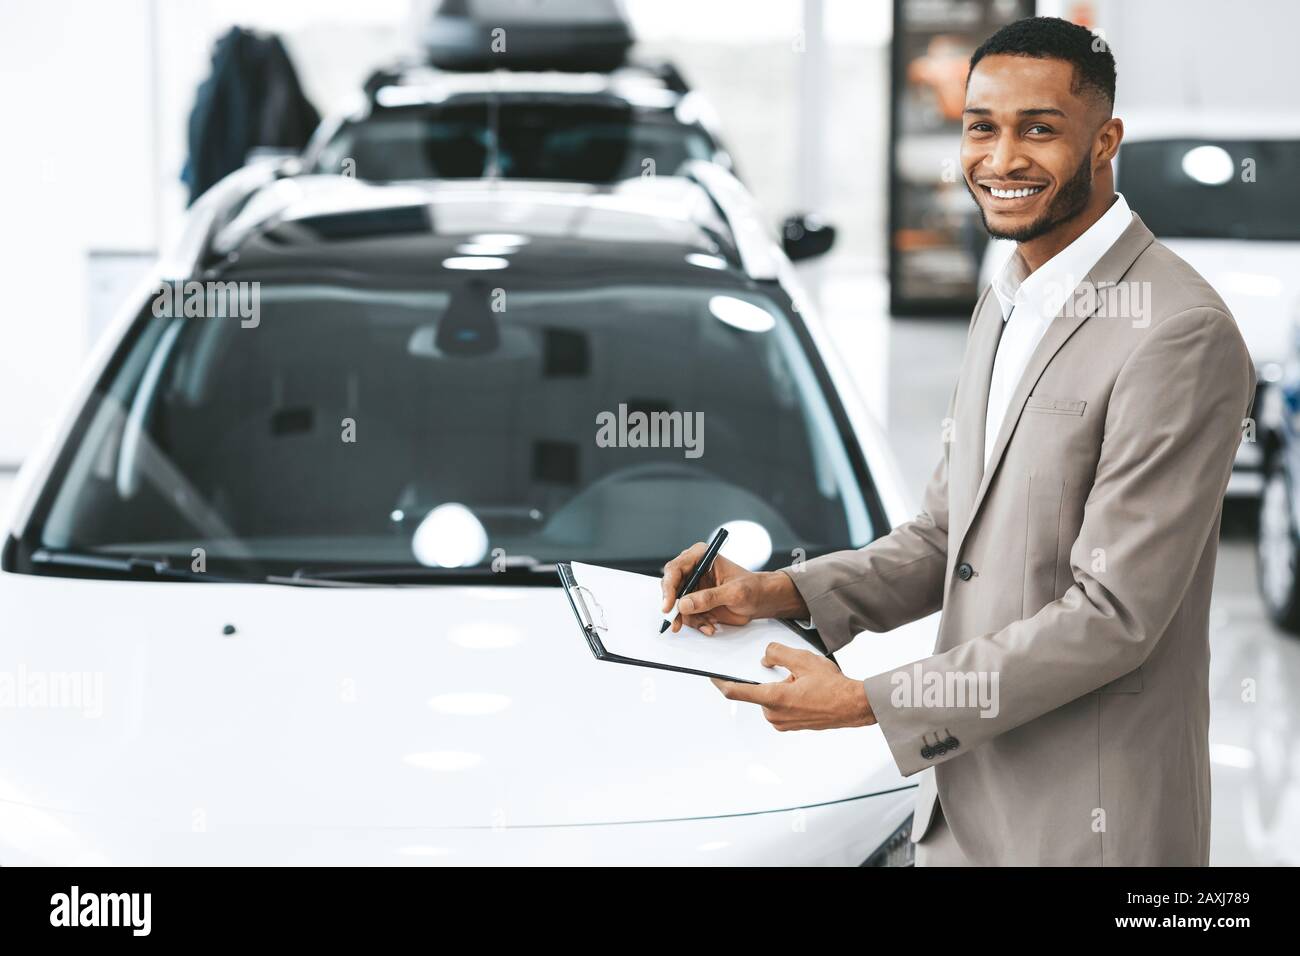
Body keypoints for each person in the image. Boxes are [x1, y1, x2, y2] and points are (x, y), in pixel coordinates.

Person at [659, 16, 1255, 866]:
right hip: (963, 810)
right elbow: (946, 540)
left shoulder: (1176, 331)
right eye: (982, 126)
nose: (1001, 159)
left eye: (1038, 128)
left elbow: (1114, 617)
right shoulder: (1010, 295)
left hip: (1087, 827)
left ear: (1105, 140)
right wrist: (772, 593)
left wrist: (869, 701)